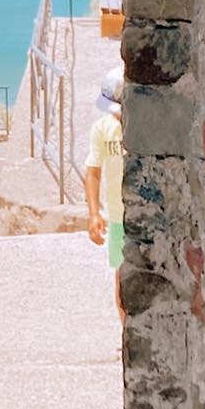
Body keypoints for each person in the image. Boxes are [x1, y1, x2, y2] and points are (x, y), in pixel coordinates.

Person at [84, 66, 125, 313]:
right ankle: (125, 332)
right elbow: (93, 171)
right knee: (122, 278)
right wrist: (94, 213)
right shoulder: (102, 129)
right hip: (117, 216)